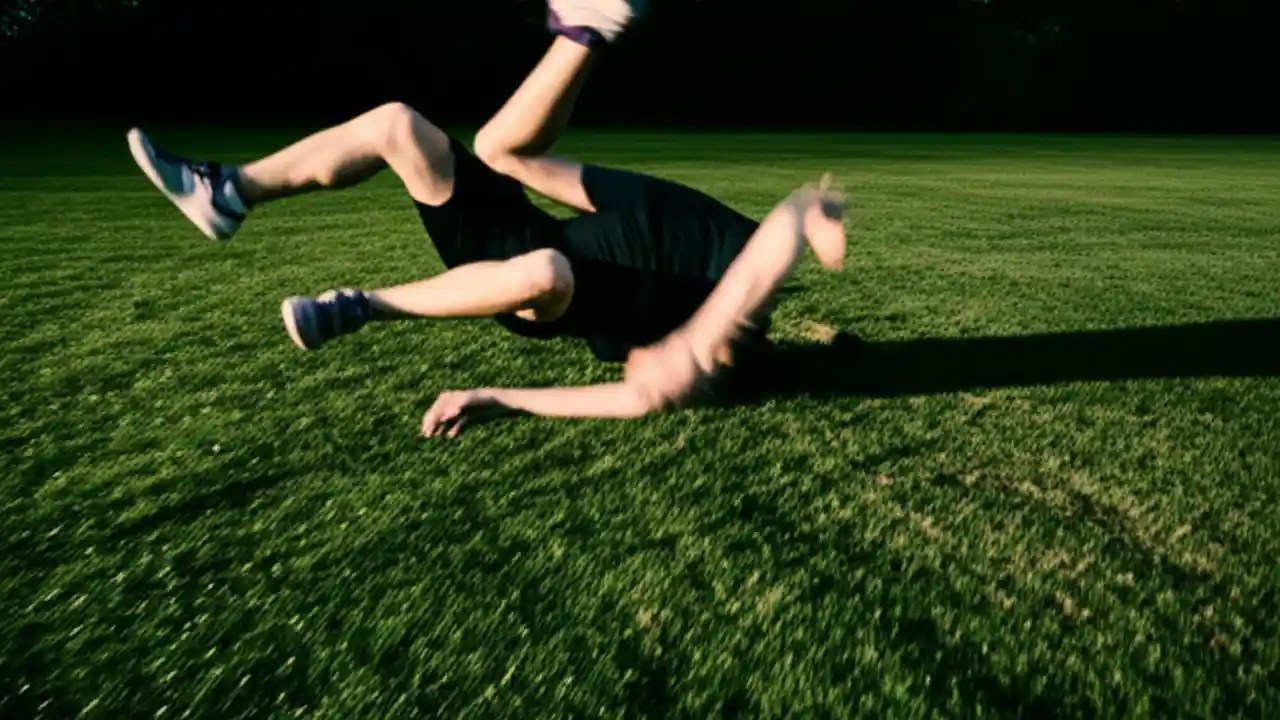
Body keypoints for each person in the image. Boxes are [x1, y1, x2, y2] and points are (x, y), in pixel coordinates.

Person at [125, 0, 848, 438]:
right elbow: (785, 226)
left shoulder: (666, 357)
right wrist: (821, 216)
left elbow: (625, 398)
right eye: (677, 375)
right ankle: (227, 194)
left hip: (533, 282)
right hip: (541, 228)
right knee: (406, 127)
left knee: (545, 269)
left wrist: (497, 397)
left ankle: (359, 307)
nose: (644, 372)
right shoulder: (727, 274)